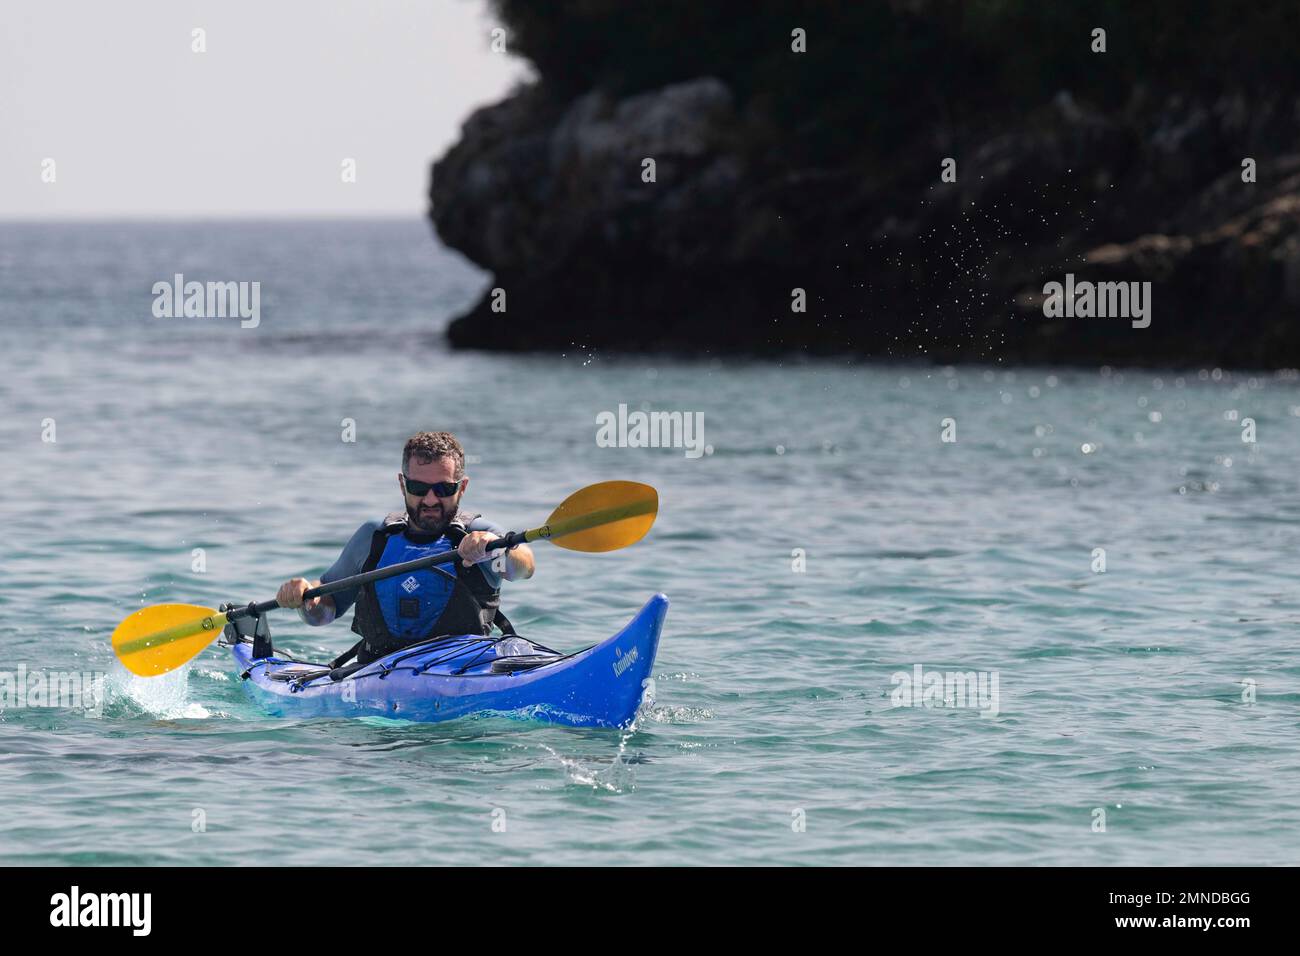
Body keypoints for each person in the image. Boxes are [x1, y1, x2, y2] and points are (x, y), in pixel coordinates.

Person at [275, 431, 534, 666]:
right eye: (418, 488)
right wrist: (305, 598)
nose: (430, 500)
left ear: (462, 487)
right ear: (402, 485)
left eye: (443, 489)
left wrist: (492, 548)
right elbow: (324, 613)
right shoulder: (375, 538)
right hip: (376, 674)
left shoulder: (479, 534)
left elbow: (523, 568)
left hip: (463, 672)